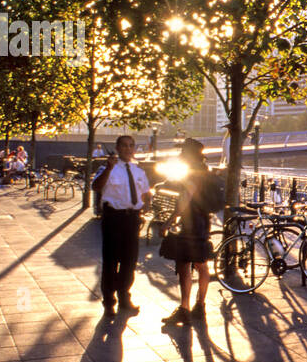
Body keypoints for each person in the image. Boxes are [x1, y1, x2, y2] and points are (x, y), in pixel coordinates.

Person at [162, 138, 223, 325]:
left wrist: (169, 220)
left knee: (183, 265)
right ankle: (200, 305)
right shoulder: (204, 171)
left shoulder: (191, 173)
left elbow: (186, 197)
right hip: (203, 221)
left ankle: (185, 308)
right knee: (201, 264)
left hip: (190, 223)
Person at [92, 135, 151, 316]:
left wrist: (146, 205)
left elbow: (146, 192)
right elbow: (96, 186)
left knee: (129, 261)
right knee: (111, 261)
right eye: (124, 145)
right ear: (117, 148)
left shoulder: (138, 171)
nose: (128, 149)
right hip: (113, 219)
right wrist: (109, 169)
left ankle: (125, 298)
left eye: (131, 145)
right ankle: (109, 301)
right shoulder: (108, 168)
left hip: (132, 219)